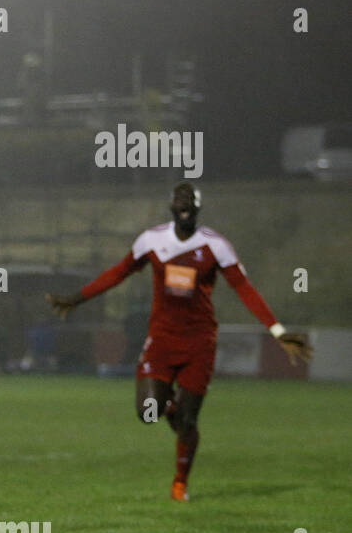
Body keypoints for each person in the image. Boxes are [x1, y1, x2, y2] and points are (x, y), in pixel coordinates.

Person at [47, 183, 312, 501]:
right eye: (179, 198)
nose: (184, 203)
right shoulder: (152, 240)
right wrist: (77, 299)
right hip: (161, 340)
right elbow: (119, 272)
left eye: (190, 199)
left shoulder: (215, 245)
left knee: (188, 421)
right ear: (171, 206)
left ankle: (180, 484)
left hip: (199, 342)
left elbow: (244, 288)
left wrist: (278, 330)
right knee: (147, 412)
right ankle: (170, 405)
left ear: (198, 207)